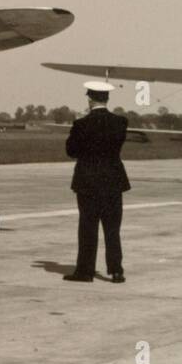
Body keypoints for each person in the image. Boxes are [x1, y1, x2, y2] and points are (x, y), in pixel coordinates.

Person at [63, 82, 130, 283]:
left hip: (88, 181)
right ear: (107, 99)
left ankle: (85, 271)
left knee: (88, 227)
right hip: (112, 180)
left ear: (90, 100)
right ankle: (116, 271)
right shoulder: (121, 122)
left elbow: (71, 151)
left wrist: (78, 129)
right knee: (112, 228)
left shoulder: (81, 124)